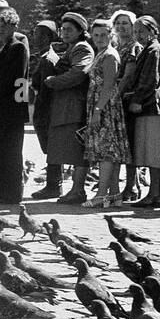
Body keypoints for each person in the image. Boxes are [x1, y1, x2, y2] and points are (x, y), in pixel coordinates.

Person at [124, 16, 160, 208]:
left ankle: (154, 194)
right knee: (154, 150)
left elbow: (149, 80)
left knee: (153, 152)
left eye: (142, 31)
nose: (138, 35)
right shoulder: (150, 49)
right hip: (152, 106)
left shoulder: (153, 50)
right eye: (135, 32)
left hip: (150, 106)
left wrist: (137, 100)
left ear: (153, 31)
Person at [81, 18, 131, 209]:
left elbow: (109, 85)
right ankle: (114, 193)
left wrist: (98, 110)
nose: (100, 38)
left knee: (106, 151)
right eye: (96, 35)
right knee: (111, 151)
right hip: (103, 106)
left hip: (105, 107)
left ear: (111, 35)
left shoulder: (109, 55)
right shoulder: (101, 53)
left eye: (104, 35)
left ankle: (101, 194)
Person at [44, 12, 94, 204]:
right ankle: (74, 190)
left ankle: (78, 190)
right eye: (62, 29)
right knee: (70, 150)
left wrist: (52, 81)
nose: (64, 32)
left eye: (69, 29)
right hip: (66, 107)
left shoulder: (81, 48)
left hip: (73, 107)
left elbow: (78, 73)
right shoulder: (72, 48)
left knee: (77, 151)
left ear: (80, 31)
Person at [0, 8, 29, 203]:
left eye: (4, 26)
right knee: (2, 151)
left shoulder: (17, 47)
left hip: (10, 109)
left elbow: (13, 79)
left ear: (14, 26)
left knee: (11, 153)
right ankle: (3, 191)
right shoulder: (2, 47)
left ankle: (11, 194)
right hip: (1, 108)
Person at [111, 10, 143, 202]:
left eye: (126, 23)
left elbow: (128, 76)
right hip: (116, 101)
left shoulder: (133, 47)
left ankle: (131, 186)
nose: (122, 27)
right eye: (119, 23)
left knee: (129, 144)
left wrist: (114, 95)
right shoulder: (116, 46)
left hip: (125, 100)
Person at [29, 21, 61, 198]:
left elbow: (45, 89)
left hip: (46, 111)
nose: (34, 37)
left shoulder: (48, 60)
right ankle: (53, 183)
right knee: (49, 148)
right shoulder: (42, 57)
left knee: (51, 148)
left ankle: (53, 185)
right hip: (43, 109)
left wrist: (40, 110)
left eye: (38, 34)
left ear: (47, 37)